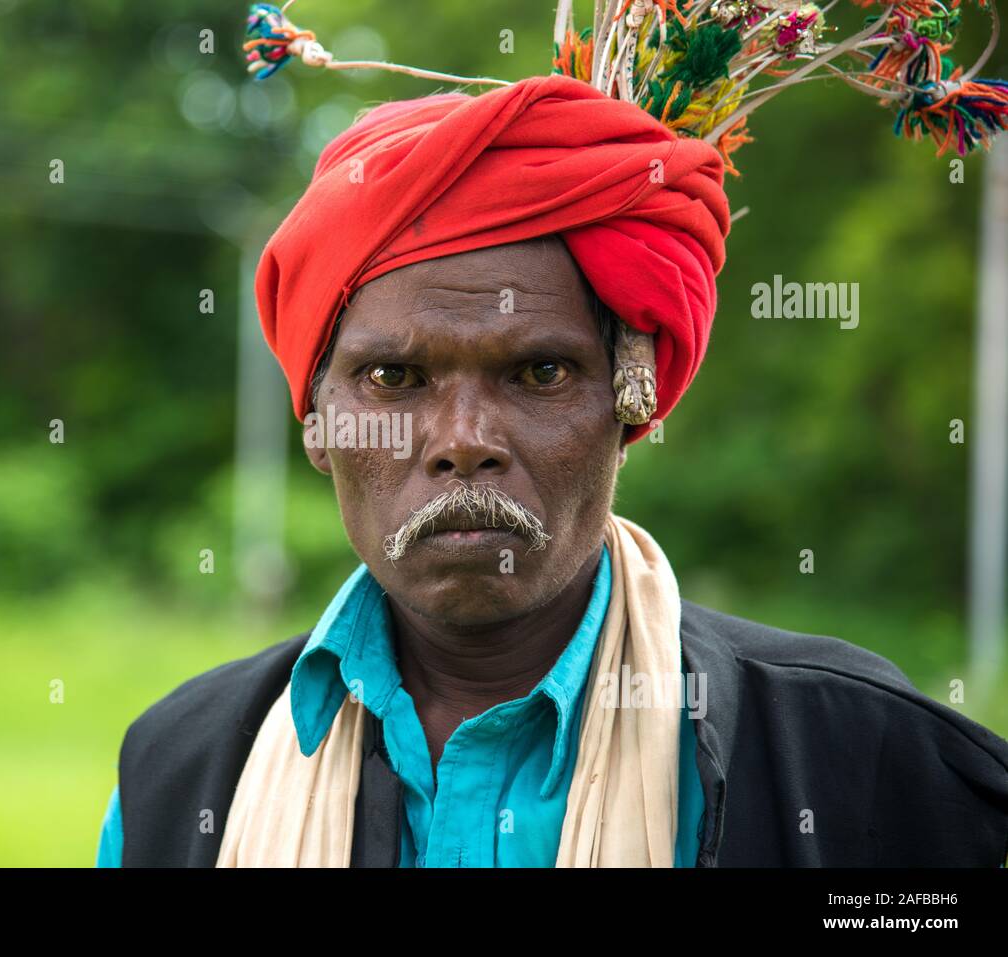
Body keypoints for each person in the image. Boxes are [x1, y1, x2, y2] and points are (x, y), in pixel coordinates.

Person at [98, 3, 1008, 866]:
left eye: (538, 372)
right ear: (317, 423)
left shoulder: (861, 763)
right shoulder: (181, 776)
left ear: (631, 402)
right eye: (393, 379)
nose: (463, 441)